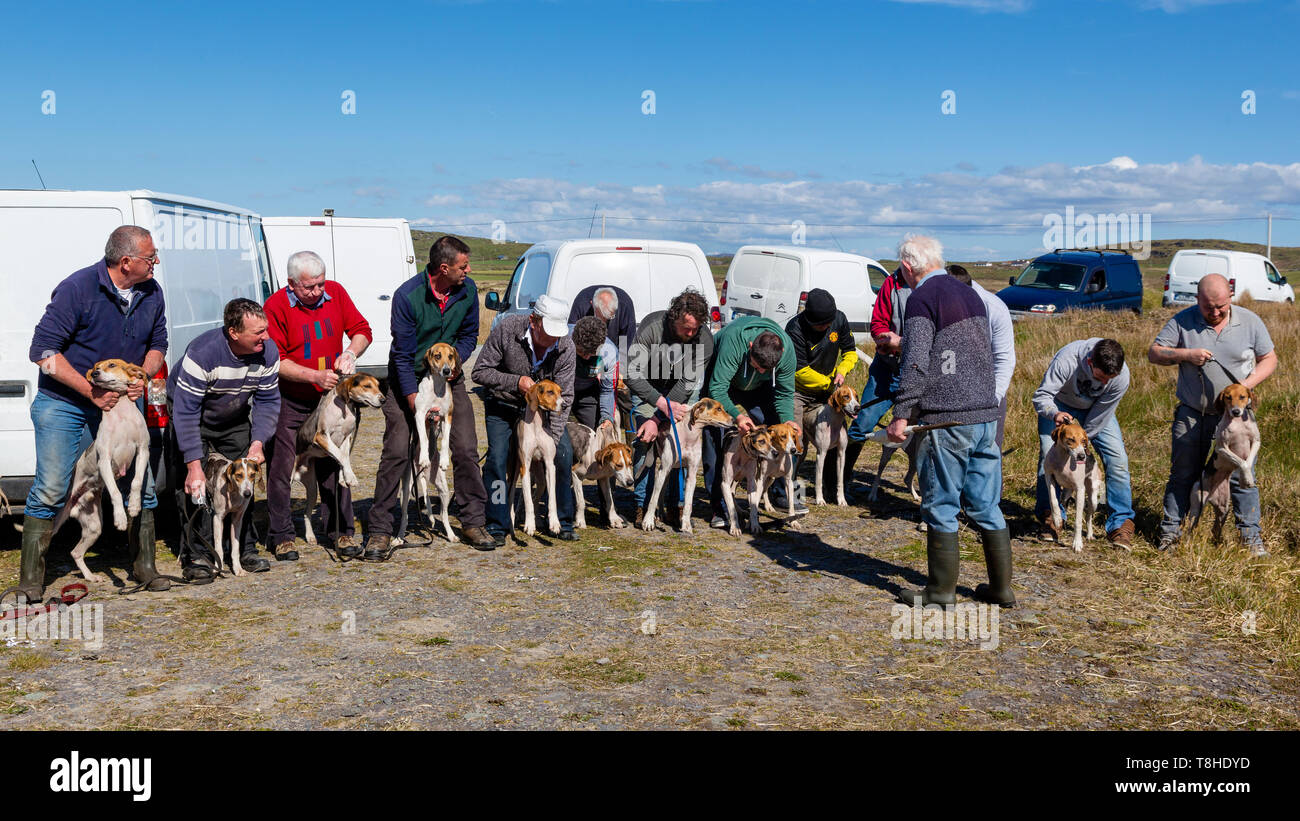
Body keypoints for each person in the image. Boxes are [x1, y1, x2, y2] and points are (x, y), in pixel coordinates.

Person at [15, 226, 170, 601]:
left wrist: (142, 376)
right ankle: (30, 583)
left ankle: (145, 568)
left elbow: (158, 342)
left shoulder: (152, 292)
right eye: (151, 258)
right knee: (53, 487)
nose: (156, 263)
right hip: (65, 403)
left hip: (120, 402)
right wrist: (90, 391)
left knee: (143, 482)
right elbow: (42, 352)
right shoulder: (78, 289)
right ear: (126, 261)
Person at [887, 235, 1012, 608]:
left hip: (947, 419)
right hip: (986, 414)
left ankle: (941, 592)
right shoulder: (970, 293)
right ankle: (1001, 588)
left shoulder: (922, 298)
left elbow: (916, 360)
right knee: (986, 505)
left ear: (908, 268)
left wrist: (901, 413)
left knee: (941, 503)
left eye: (901, 271)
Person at [365, 236, 495, 556]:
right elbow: (401, 353)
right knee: (397, 450)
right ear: (444, 267)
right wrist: (412, 398)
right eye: (463, 266)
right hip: (407, 378)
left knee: (464, 446)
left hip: (448, 377)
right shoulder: (407, 297)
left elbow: (468, 337)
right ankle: (380, 530)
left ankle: (473, 520)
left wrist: (452, 363)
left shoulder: (466, 291)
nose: (468, 271)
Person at [1149, 273, 1277, 555]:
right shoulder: (1183, 320)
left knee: (1244, 475)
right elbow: (1154, 353)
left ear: (1230, 296)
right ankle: (1171, 534)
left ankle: (1250, 540)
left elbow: (1269, 359)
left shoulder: (1250, 321)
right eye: (1209, 307)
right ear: (1198, 300)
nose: (1216, 312)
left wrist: (1245, 386)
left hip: (1237, 417)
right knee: (1184, 473)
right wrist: (1186, 355)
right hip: (1193, 413)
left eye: (1221, 305)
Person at [262, 250, 372, 561]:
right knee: (282, 468)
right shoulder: (275, 307)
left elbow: (363, 331)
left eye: (320, 284)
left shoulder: (335, 293)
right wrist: (312, 375)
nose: (317, 292)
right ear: (291, 284)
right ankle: (282, 536)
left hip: (330, 398)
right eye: (309, 287)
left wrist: (350, 352)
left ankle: (341, 533)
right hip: (291, 399)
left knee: (334, 463)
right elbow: (276, 362)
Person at [168, 298, 281, 582]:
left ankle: (245, 550)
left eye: (265, 330)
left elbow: (268, 401)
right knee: (197, 487)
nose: (265, 337)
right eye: (258, 332)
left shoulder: (267, 353)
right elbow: (185, 412)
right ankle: (200, 555)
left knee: (243, 481)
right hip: (194, 416)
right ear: (234, 332)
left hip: (234, 417)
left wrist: (258, 443)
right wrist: (194, 464)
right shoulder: (202, 354)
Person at [471, 294, 579, 544]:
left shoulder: (565, 345)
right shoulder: (508, 328)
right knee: (498, 459)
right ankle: (497, 522)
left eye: (557, 333)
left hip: (544, 415)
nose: (553, 339)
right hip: (503, 403)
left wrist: (553, 435)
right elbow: (480, 371)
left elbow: (567, 394)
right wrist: (515, 382)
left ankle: (561, 521)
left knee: (562, 454)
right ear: (533, 321)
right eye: (547, 332)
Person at [623, 289, 715, 529]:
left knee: (679, 442)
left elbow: (686, 384)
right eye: (687, 328)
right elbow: (631, 375)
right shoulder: (651, 328)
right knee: (644, 440)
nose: (691, 333)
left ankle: (676, 505)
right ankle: (643, 506)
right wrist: (655, 413)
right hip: (648, 386)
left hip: (680, 390)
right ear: (675, 317)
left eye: (696, 329)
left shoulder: (704, 339)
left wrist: (659, 418)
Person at [700, 315, 803, 529]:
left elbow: (784, 393)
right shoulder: (734, 341)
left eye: (766, 369)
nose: (762, 371)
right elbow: (717, 388)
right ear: (750, 348)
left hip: (758, 389)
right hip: (723, 383)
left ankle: (778, 491)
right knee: (714, 435)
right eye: (757, 366)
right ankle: (720, 507)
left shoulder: (786, 352)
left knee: (774, 427)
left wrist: (788, 421)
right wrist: (737, 416)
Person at [1032, 338, 1134, 548]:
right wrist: (1054, 414)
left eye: (1109, 379)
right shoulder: (1067, 359)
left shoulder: (1122, 376)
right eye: (1100, 377)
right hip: (1058, 405)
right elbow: (1042, 396)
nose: (1104, 383)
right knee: (1047, 455)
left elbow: (1101, 415)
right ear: (1090, 363)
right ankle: (1052, 516)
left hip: (1097, 410)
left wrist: (1082, 444)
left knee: (1118, 458)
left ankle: (1120, 522)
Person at [843, 266, 913, 482]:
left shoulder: (933, 286)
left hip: (919, 370)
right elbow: (878, 324)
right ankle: (838, 479)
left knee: (927, 432)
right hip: (887, 368)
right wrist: (887, 339)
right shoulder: (891, 284)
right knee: (862, 424)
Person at [784, 288, 859, 490]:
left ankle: (831, 487)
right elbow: (799, 371)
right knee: (796, 441)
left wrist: (842, 370)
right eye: (822, 325)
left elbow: (850, 352)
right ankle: (789, 490)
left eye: (829, 323)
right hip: (798, 393)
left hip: (827, 392)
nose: (827, 327)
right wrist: (829, 383)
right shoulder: (794, 329)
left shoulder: (839, 319)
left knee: (835, 438)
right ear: (810, 321)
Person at [946, 265, 1015, 448]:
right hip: (950, 393)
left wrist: (993, 399)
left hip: (988, 391)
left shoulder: (994, 308)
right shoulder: (942, 302)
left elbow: (1004, 359)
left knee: (987, 455)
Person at [570, 316, 618, 431]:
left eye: (591, 353)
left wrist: (607, 416)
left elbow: (607, 390)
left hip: (587, 393)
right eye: (581, 351)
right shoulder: (562, 339)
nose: (586, 357)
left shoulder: (609, 353)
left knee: (596, 429)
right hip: (560, 390)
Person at [568, 285, 636, 352]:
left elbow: (625, 344)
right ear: (592, 305)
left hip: (612, 352)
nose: (604, 323)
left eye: (609, 317)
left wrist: (620, 361)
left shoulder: (625, 306)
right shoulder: (581, 303)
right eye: (601, 318)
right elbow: (571, 337)